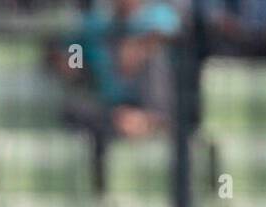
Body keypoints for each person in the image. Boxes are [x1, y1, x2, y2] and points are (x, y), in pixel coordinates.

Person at [53, 0, 182, 140]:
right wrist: (74, 64)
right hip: (107, 110)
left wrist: (140, 45)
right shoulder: (96, 23)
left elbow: (167, 30)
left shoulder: (157, 15)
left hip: (148, 106)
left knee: (159, 57)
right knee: (75, 106)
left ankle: (148, 119)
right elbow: (73, 49)